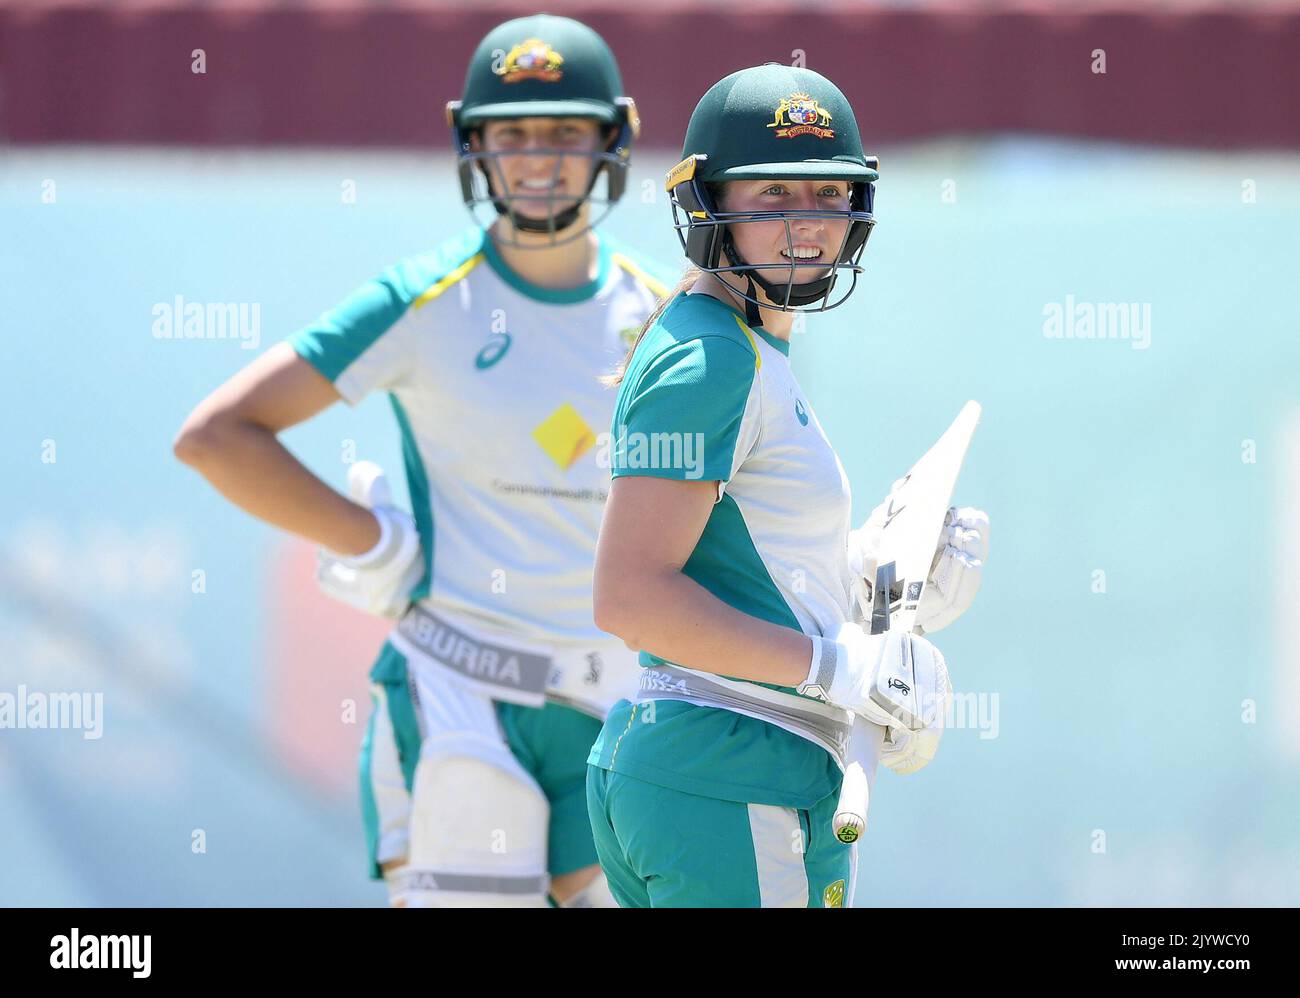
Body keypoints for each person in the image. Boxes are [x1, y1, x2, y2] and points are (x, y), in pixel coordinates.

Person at [174, 13, 670, 908]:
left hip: (621, 706)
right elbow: (215, 436)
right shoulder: (423, 299)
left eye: (565, 130)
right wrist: (370, 543)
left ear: (616, 138)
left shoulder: (670, 317)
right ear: (470, 144)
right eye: (509, 133)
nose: (537, 157)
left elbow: (738, 503)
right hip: (459, 694)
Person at [586, 64, 990, 908]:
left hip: (723, 762)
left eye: (826, 193)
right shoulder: (713, 354)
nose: (804, 223)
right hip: (728, 767)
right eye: (773, 193)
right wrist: (837, 666)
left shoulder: (737, 340)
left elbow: (737, 563)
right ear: (708, 202)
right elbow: (631, 598)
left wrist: (877, 587)